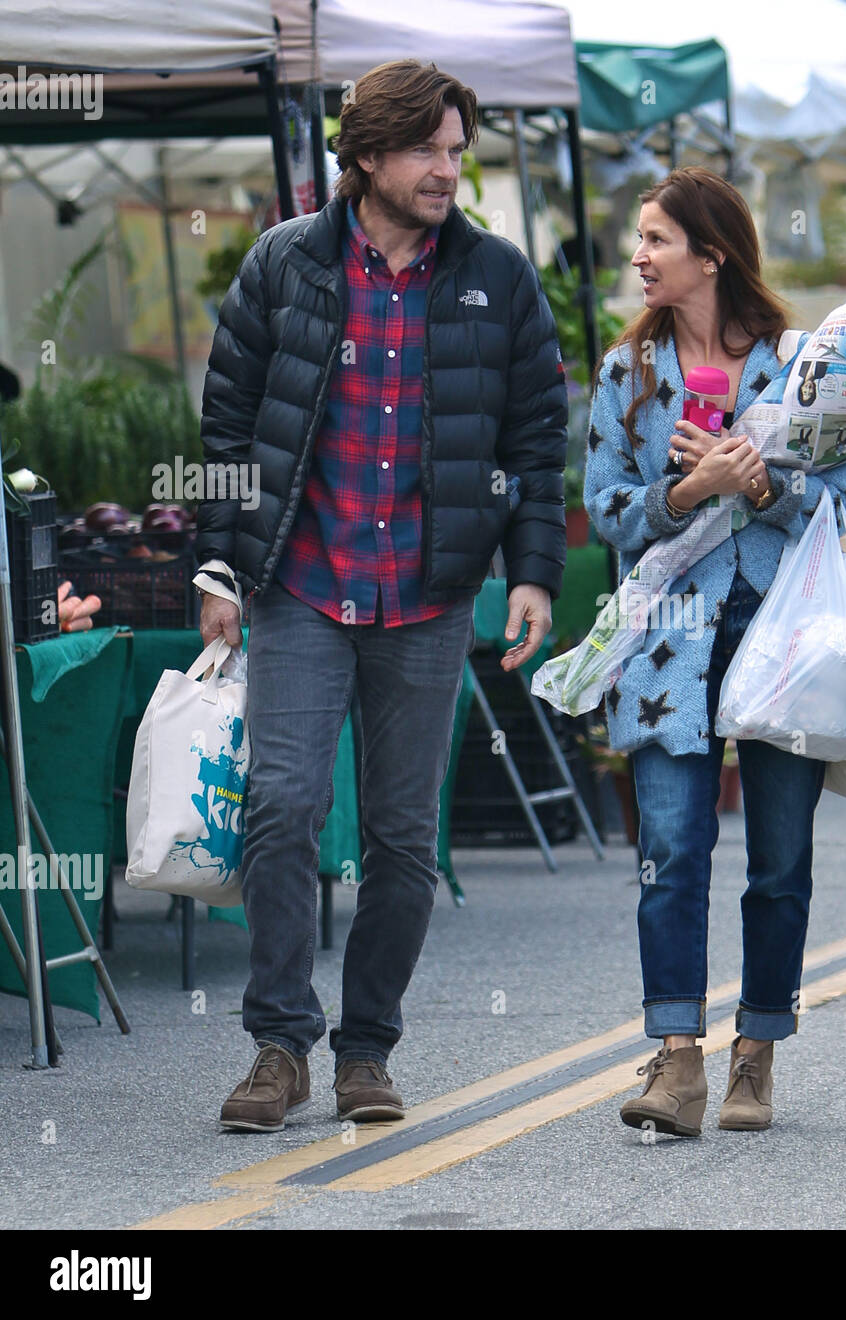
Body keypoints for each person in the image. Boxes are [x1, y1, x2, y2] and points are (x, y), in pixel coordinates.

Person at [196, 59, 566, 1133]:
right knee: (280, 809)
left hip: (428, 590)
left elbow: (534, 438)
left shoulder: (497, 276)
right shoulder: (283, 266)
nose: (448, 170)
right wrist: (221, 568)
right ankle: (278, 1045)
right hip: (302, 585)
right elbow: (229, 427)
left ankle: (367, 1051)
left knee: (403, 837)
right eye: (427, 151)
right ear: (363, 157)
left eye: (457, 151)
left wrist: (534, 571)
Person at [584, 166, 846, 1135]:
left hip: (784, 641)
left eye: (656, 239)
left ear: (712, 253)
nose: (638, 256)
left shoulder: (799, 366)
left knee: (778, 858)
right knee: (670, 850)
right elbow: (605, 508)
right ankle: (674, 1061)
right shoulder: (628, 374)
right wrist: (689, 492)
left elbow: (844, 505)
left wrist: (763, 485)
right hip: (667, 646)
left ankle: (756, 1051)